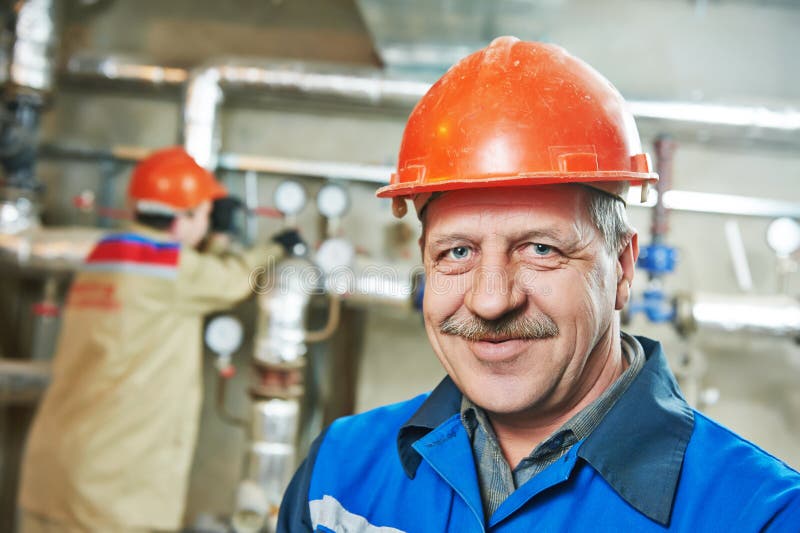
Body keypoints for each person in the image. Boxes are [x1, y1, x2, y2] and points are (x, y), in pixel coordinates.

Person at [278, 37, 800, 531]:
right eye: (457, 252)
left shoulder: (761, 517)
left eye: (540, 249)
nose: (490, 300)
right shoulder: (338, 477)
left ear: (622, 268)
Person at [18, 146, 292, 532]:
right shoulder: (168, 267)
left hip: (52, 472)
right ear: (184, 218)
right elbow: (232, 280)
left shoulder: (104, 254)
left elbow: (186, 275)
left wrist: (212, 240)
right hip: (111, 490)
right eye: (204, 215)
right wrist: (276, 247)